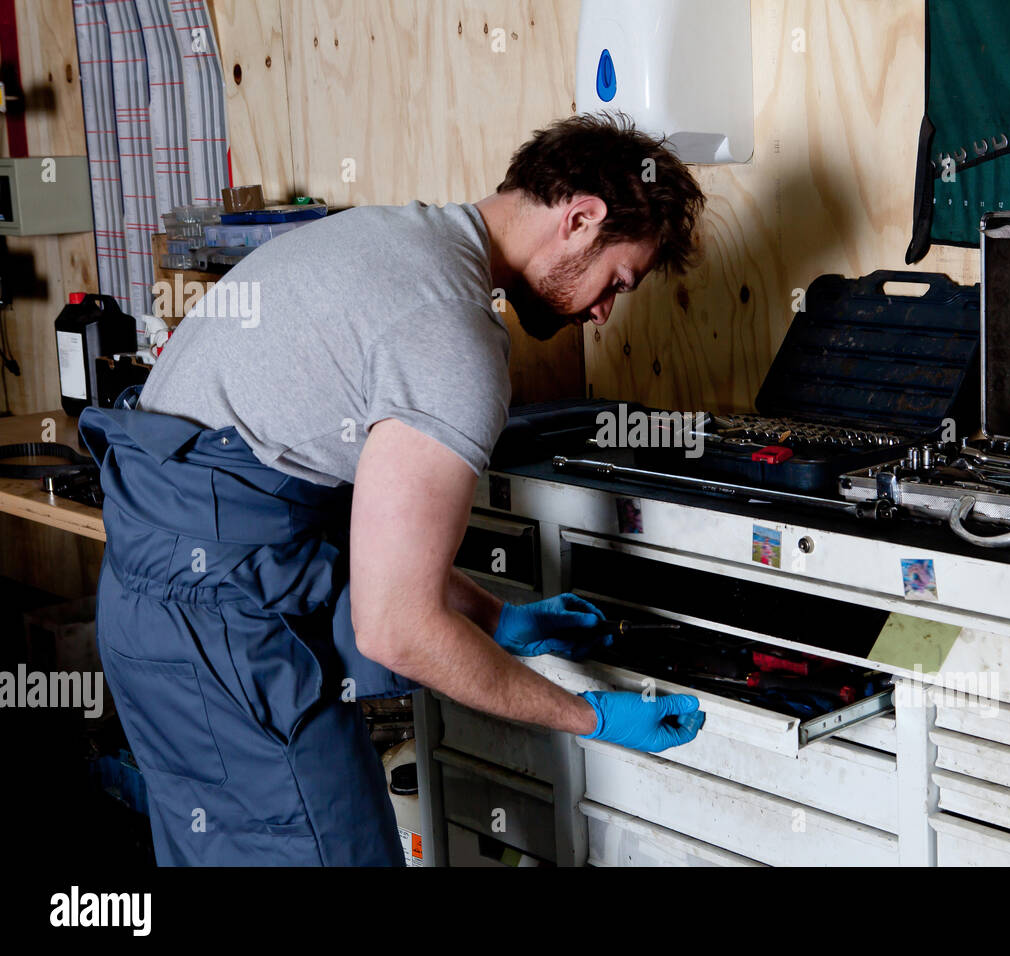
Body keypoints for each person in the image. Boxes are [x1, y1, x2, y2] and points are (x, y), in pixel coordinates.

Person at [79, 113, 709, 866]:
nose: (605, 310)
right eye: (617, 281)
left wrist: (495, 618)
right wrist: (589, 716)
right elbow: (395, 628)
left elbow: (365, 534)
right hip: (229, 646)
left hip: (151, 616)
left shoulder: (388, 237)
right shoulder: (453, 337)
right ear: (580, 218)